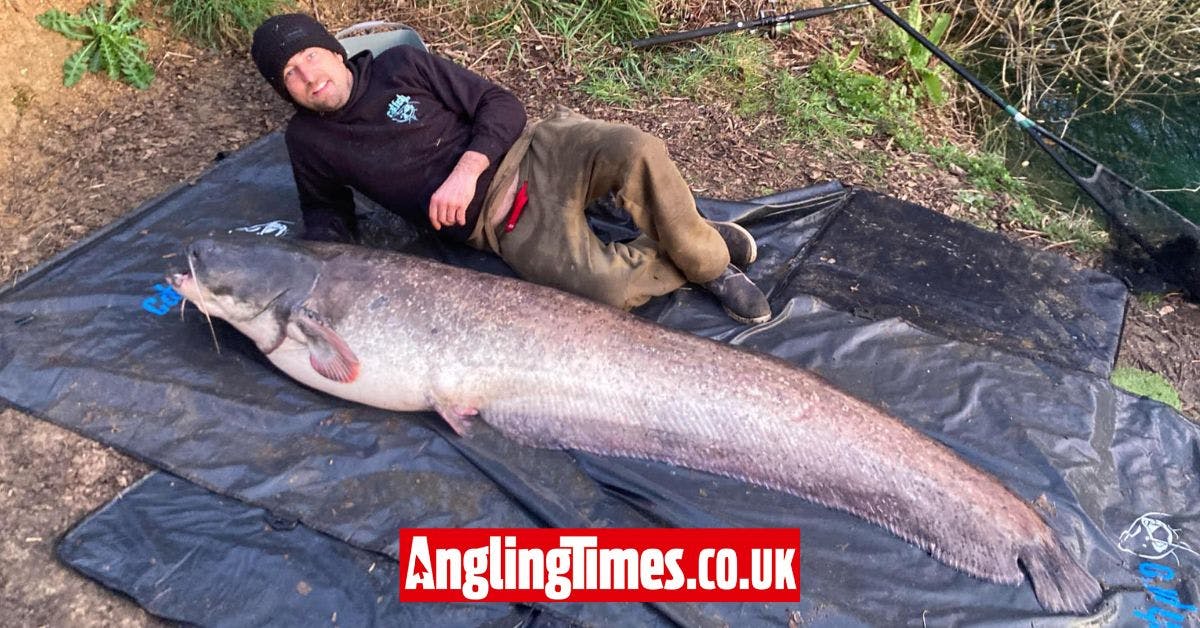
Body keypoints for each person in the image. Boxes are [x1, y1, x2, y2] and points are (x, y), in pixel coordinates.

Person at [250, 13, 772, 324]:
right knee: (608, 293)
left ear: (337, 54)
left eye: (312, 57)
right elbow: (325, 214)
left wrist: (466, 169)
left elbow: (500, 104)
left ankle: (708, 264)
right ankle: (693, 238)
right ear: (284, 90)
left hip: (538, 148)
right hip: (502, 220)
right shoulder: (309, 140)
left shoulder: (399, 66)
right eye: (290, 74)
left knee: (634, 147)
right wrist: (310, 276)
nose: (309, 77)